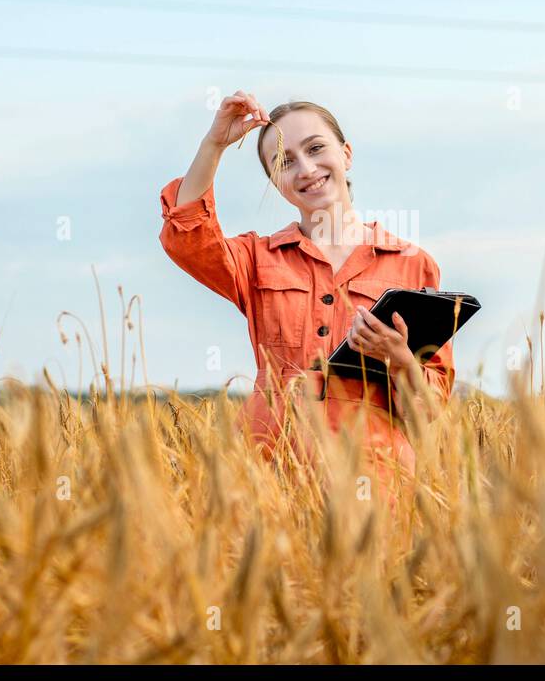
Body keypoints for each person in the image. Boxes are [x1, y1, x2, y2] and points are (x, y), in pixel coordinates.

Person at [158, 91, 454, 506]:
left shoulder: (412, 265)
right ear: (275, 183)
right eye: (285, 161)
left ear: (346, 154)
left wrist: (400, 359)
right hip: (267, 480)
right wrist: (215, 144)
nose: (306, 168)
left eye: (316, 148)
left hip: (374, 485)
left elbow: (429, 407)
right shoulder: (256, 259)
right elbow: (186, 237)